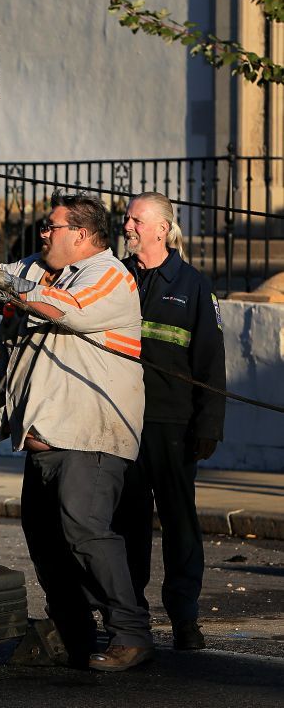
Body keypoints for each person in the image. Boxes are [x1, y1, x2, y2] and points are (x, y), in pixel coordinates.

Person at [0, 192, 152, 671]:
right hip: (46, 436)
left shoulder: (108, 275)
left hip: (89, 434)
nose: (44, 233)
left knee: (86, 532)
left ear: (83, 235)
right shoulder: (38, 268)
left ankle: (130, 635)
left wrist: (6, 280)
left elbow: (68, 309)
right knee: (45, 539)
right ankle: (74, 635)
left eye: (53, 227)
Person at [112, 192, 226, 651]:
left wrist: (208, 425)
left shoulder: (194, 285)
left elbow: (211, 362)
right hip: (121, 421)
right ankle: (129, 616)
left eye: (136, 219)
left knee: (180, 524)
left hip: (173, 425)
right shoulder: (114, 277)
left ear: (162, 228)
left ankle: (184, 618)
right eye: (125, 218)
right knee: (127, 525)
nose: (127, 226)